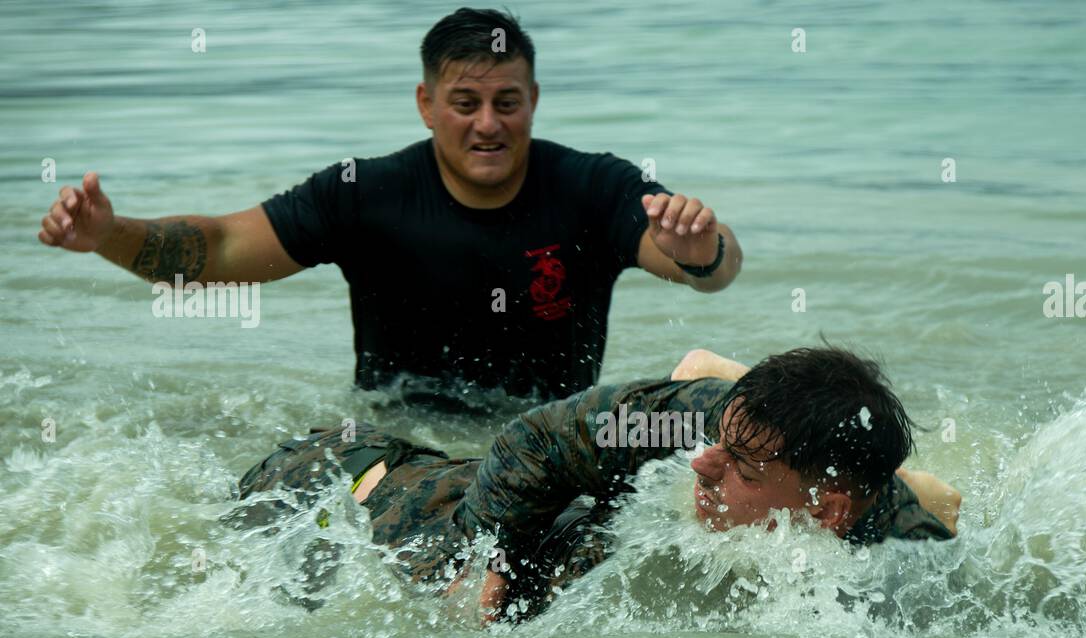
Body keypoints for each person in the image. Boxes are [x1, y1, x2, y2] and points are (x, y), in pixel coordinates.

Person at [37, 8, 742, 404]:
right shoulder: (361, 192)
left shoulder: (593, 186)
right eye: (465, 104)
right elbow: (218, 250)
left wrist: (701, 251)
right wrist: (107, 234)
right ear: (426, 104)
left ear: (534, 101)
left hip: (542, 434)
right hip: (396, 433)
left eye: (507, 102)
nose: (488, 125)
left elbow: (708, 267)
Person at [226, 345, 961, 621]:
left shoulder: (900, 551)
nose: (705, 463)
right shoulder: (702, 422)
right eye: (718, 444)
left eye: (741, 469)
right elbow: (538, 436)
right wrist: (490, 556)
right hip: (335, 484)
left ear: (829, 509)